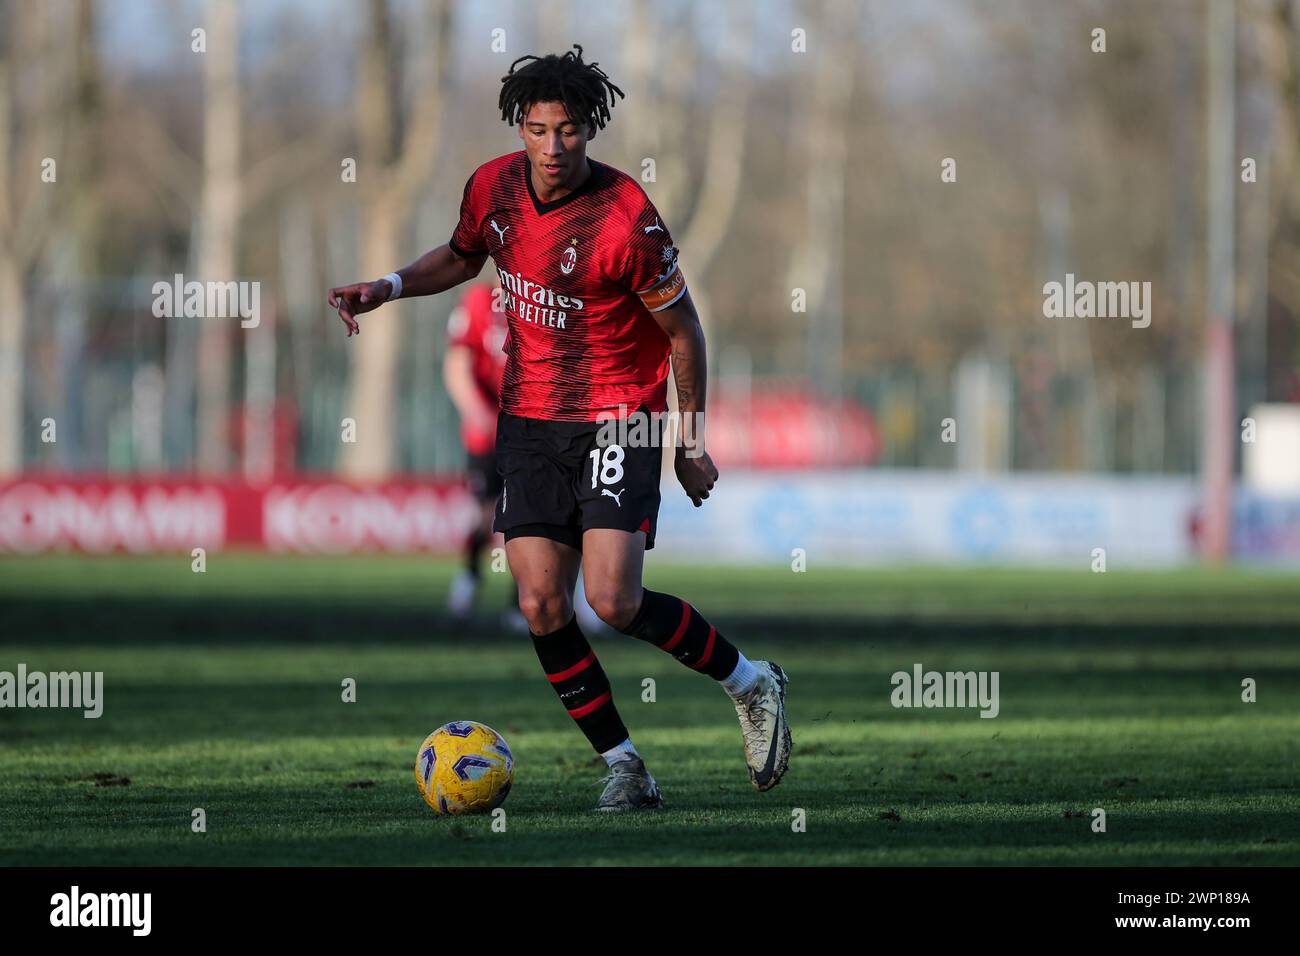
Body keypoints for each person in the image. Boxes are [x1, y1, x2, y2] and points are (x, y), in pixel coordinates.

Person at [328, 46, 790, 810]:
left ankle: (751, 682)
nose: (552, 148)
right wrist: (390, 287)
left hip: (620, 416)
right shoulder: (493, 187)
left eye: (568, 131)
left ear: (590, 130)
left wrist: (690, 441)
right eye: (538, 130)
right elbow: (461, 254)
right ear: (519, 126)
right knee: (542, 604)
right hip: (530, 419)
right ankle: (625, 767)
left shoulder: (626, 217)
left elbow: (685, 334)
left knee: (611, 601)